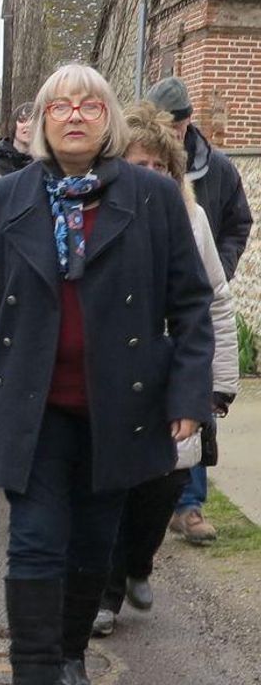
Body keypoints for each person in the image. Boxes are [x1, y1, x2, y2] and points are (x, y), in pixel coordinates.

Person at [0, 64, 213, 685]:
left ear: (108, 120)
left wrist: (189, 393)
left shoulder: (152, 196)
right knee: (34, 539)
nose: (75, 117)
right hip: (31, 405)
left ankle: (69, 655)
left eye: (90, 106)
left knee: (92, 543)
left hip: (120, 405)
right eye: (61, 107)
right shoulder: (9, 196)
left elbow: (190, 303)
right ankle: (34, 670)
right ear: (41, 122)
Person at [91, 100, 237, 637]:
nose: (147, 175)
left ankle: (139, 562)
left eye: (158, 167)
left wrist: (217, 383)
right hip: (111, 371)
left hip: (172, 369)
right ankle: (105, 595)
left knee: (166, 481)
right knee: (111, 483)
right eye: (136, 163)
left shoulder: (190, 216)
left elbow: (214, 301)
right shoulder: (98, 211)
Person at [146, 75, 253, 546]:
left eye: (178, 122)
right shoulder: (138, 164)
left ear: (189, 120)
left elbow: (238, 221)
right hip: (152, 308)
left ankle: (189, 507)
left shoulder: (219, 170)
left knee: (198, 408)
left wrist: (221, 268)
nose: (171, 131)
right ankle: (149, 507)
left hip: (197, 302)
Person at [0, 101, 35, 176]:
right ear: (13, 125)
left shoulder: (47, 166)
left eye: (34, 122)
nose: (28, 125)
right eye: (23, 121)